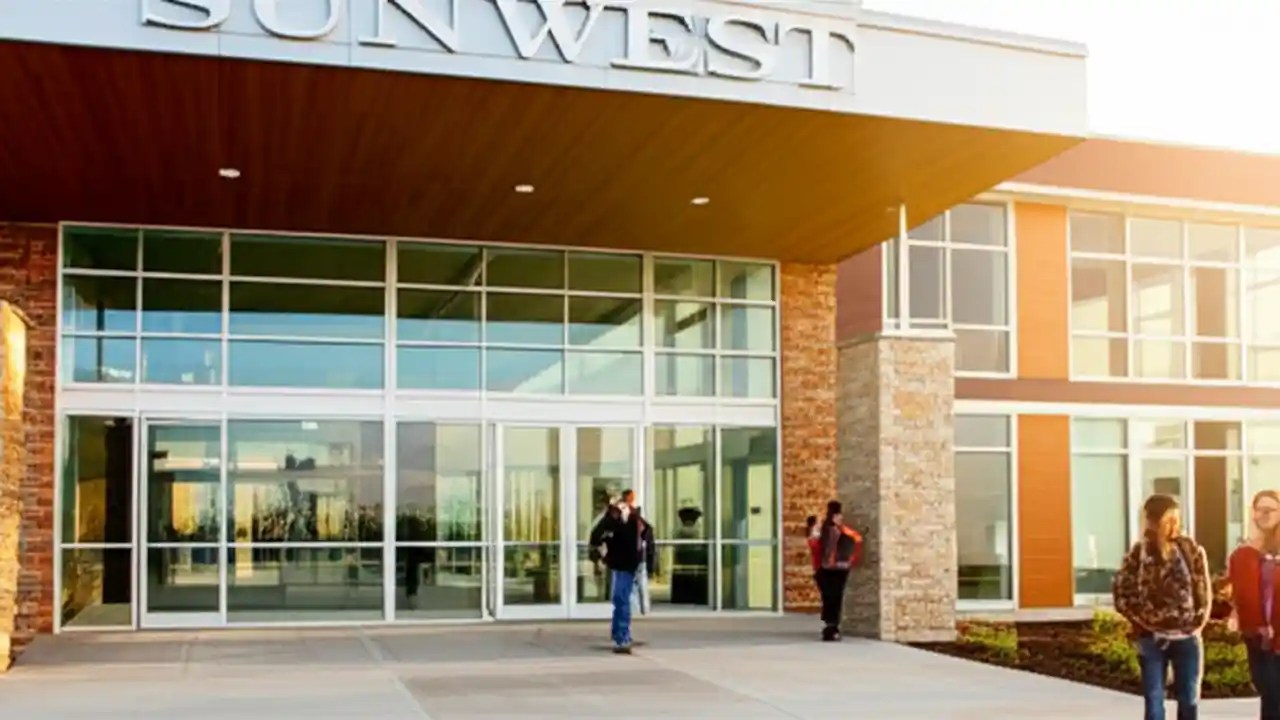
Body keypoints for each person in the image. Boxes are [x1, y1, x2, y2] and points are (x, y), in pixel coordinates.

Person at [1113, 494, 1211, 720]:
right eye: (1168, 519)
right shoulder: (1138, 554)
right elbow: (1122, 595)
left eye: (1176, 518)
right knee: (1154, 699)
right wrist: (1144, 622)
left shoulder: (1191, 550)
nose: (1174, 524)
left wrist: (1198, 622)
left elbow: (1203, 590)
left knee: (1189, 699)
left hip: (1187, 638)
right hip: (1152, 639)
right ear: (1153, 521)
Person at [1228, 490, 1280, 720]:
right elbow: (1238, 593)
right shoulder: (1242, 555)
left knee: (1275, 696)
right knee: (1268, 692)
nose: (1265, 514)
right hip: (1257, 637)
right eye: (1260, 509)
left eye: (1271, 509)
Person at [589, 498, 643, 654]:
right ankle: (618, 633)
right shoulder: (609, 523)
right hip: (617, 564)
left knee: (621, 599)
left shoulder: (631, 521)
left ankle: (622, 636)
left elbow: (638, 541)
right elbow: (595, 536)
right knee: (619, 599)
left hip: (627, 565)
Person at [815, 501, 863, 642]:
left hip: (827, 569)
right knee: (835, 597)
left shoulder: (825, 529)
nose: (840, 518)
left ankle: (830, 625)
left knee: (829, 598)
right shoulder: (838, 530)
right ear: (836, 516)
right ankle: (832, 627)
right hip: (838, 568)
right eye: (839, 515)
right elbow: (857, 539)